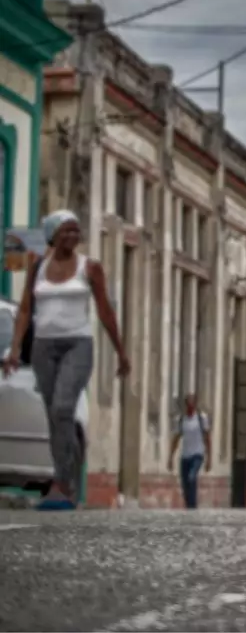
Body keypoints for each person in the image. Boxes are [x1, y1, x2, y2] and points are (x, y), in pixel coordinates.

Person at [3, 210, 130, 510]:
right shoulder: (37, 267)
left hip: (78, 345)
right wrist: (15, 349)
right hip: (44, 349)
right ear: (52, 235)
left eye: (76, 231)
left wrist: (121, 352)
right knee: (54, 417)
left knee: (63, 406)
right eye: (66, 231)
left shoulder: (90, 268)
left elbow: (105, 311)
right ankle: (65, 479)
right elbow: (24, 310)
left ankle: (62, 485)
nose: (73, 236)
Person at [168, 393, 212, 509]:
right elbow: (176, 439)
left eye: (192, 403)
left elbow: (207, 438)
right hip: (185, 456)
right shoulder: (182, 420)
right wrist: (170, 457)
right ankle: (189, 505)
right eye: (188, 403)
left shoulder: (201, 419)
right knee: (184, 483)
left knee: (191, 477)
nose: (190, 406)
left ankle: (193, 505)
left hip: (197, 455)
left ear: (195, 404)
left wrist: (209, 459)